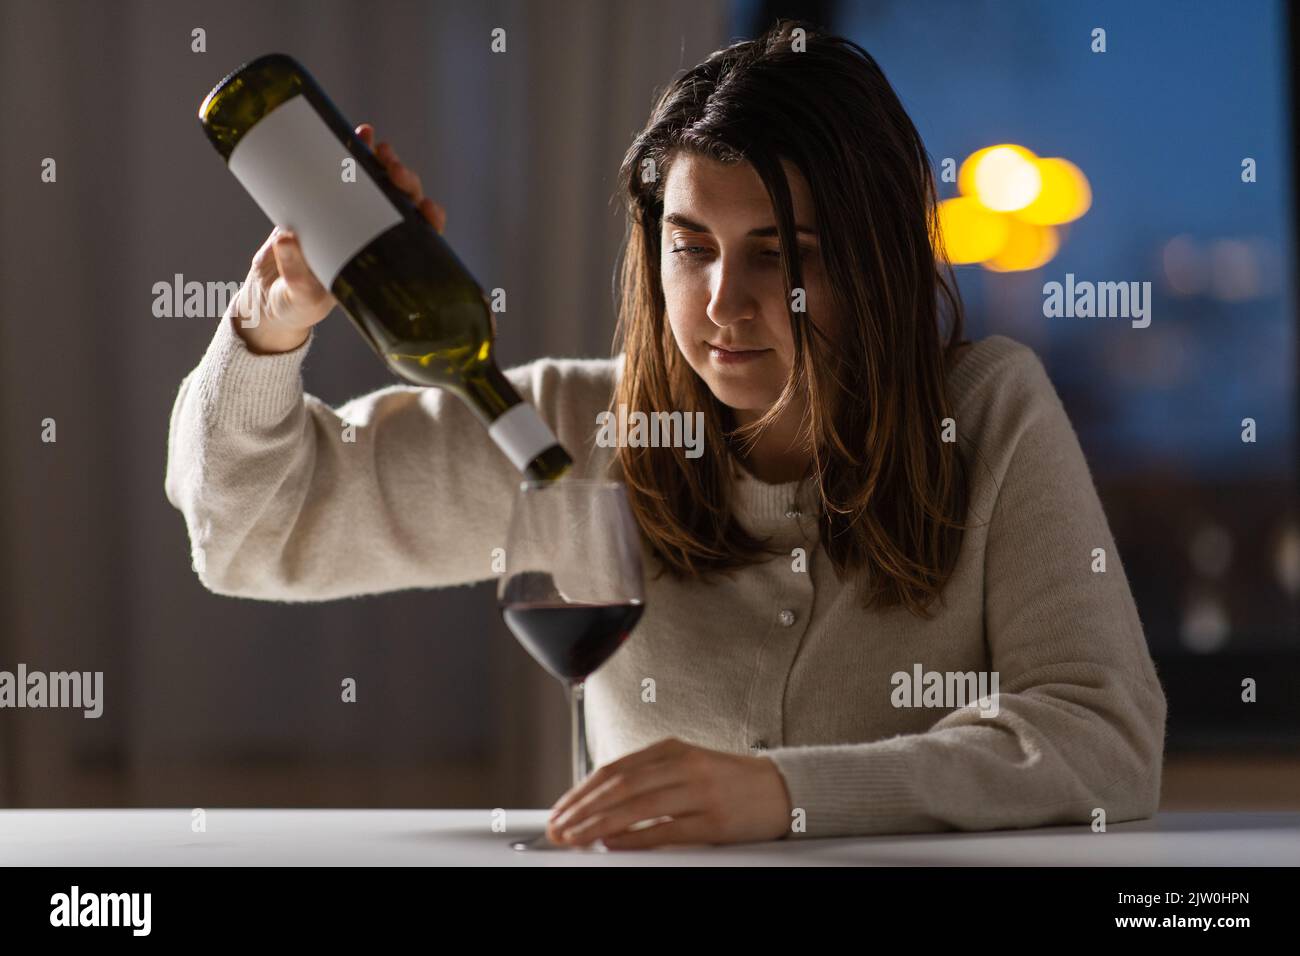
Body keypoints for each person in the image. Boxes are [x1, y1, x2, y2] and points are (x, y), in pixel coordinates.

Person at [165, 20, 1166, 848]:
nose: (723, 304)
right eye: (690, 249)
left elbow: (1103, 736)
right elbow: (249, 531)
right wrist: (271, 320)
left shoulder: (989, 411)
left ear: (873, 263)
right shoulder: (559, 430)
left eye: (778, 257)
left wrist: (782, 791)